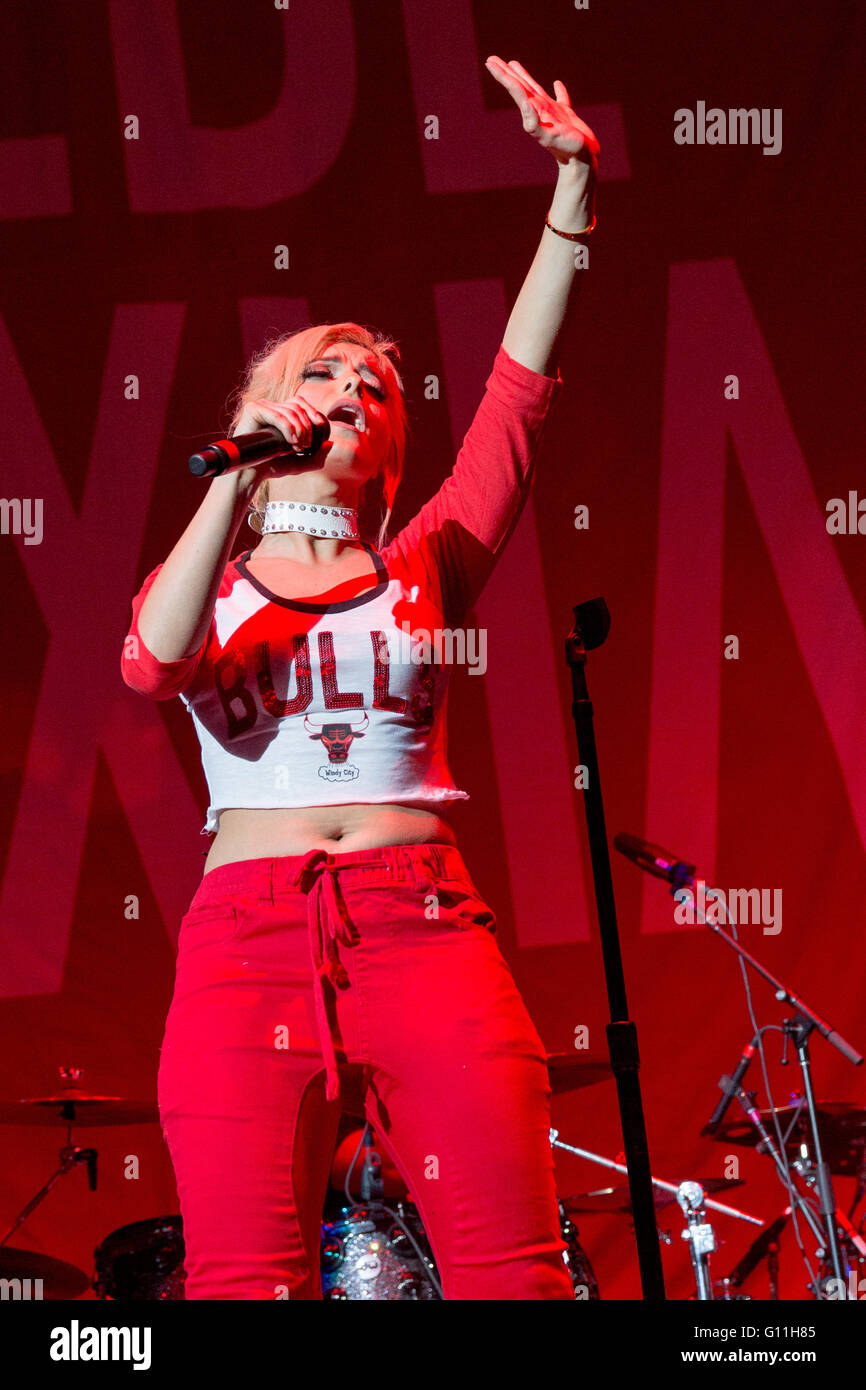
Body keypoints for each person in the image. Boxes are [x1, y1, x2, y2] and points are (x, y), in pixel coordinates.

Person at [121, 56, 599, 1300]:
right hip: (243, 943)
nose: (350, 391)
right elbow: (149, 663)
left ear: (389, 449)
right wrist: (230, 479)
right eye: (323, 375)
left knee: (514, 1269)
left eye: (374, 386)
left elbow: (513, 399)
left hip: (419, 923)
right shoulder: (208, 583)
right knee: (243, 1278)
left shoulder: (424, 558)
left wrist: (570, 192)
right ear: (266, 413)